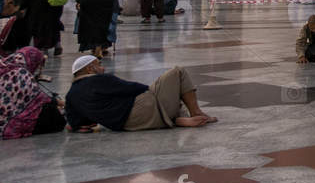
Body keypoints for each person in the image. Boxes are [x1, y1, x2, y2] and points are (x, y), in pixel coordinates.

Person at [64, 55, 216, 130]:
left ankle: (177, 119)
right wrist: (152, 89)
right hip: (143, 109)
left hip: (127, 126)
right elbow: (133, 88)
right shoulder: (98, 80)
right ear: (89, 69)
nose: (102, 68)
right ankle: (195, 113)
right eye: (99, 65)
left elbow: (76, 124)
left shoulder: (71, 95)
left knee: (166, 98)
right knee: (178, 73)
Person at [1, 48, 66, 138]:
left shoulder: (4, 65)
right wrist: (63, 103)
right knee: (51, 112)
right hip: (9, 124)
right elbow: (40, 98)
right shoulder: (21, 72)